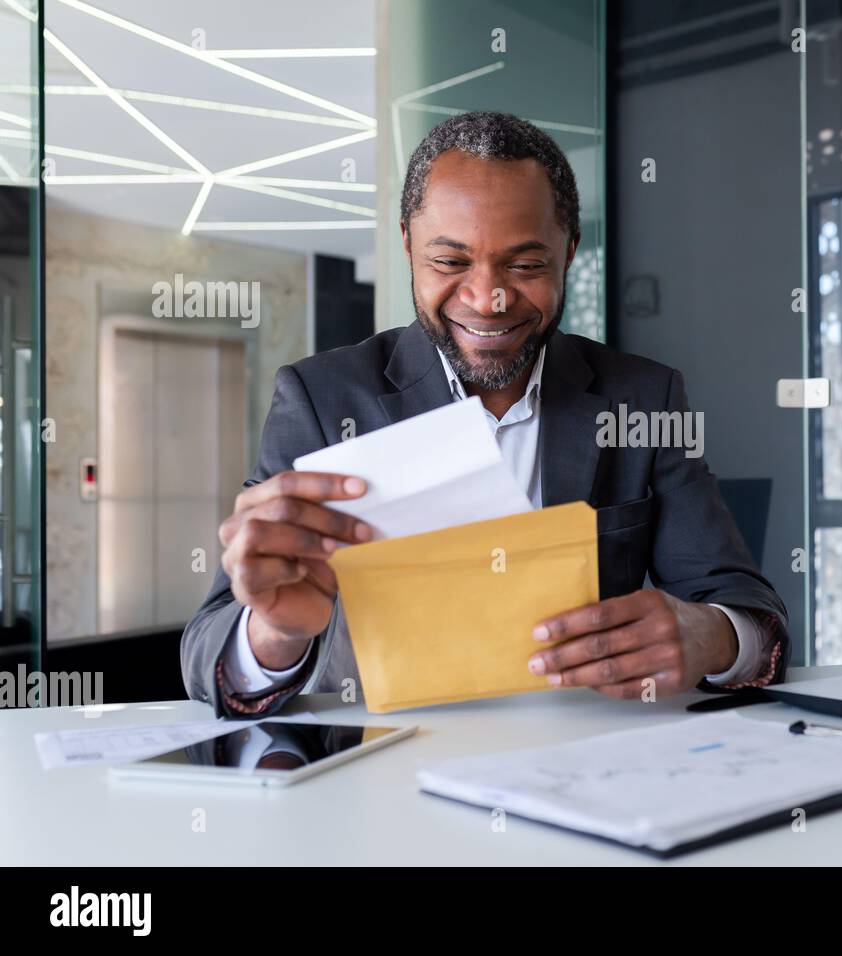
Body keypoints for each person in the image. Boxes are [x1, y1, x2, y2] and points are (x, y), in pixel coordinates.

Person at [181, 111, 788, 717]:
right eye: (449, 262)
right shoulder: (321, 399)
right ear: (407, 246)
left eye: (524, 265)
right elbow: (205, 655)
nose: (487, 299)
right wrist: (275, 634)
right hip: (381, 770)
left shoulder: (643, 398)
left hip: (582, 770)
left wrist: (709, 634)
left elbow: (751, 613)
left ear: (570, 252)